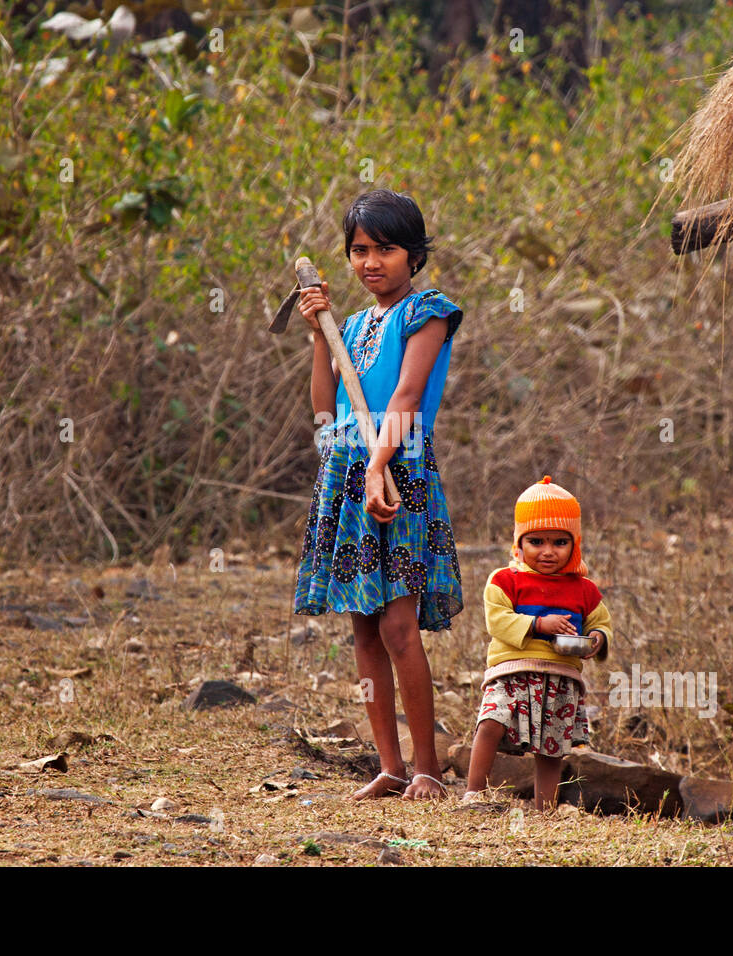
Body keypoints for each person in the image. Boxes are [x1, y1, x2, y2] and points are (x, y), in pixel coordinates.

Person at [292, 189, 463, 801]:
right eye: (359, 251)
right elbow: (323, 408)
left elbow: (407, 397)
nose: (371, 262)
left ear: (413, 255)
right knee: (364, 626)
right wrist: (319, 336)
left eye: (385, 249)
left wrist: (378, 466)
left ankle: (427, 768)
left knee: (398, 625)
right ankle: (388, 767)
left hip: (400, 470)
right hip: (345, 471)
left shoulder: (429, 312)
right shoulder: (354, 326)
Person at [463, 476, 613, 811]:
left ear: (575, 545)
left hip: (561, 676)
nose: (548, 551)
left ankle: (545, 808)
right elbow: (497, 620)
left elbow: (600, 623)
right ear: (519, 544)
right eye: (536, 541)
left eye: (560, 542)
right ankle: (474, 793)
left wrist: (596, 640)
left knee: (552, 746)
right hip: (511, 671)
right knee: (490, 723)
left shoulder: (583, 589)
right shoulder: (504, 579)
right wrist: (537, 624)